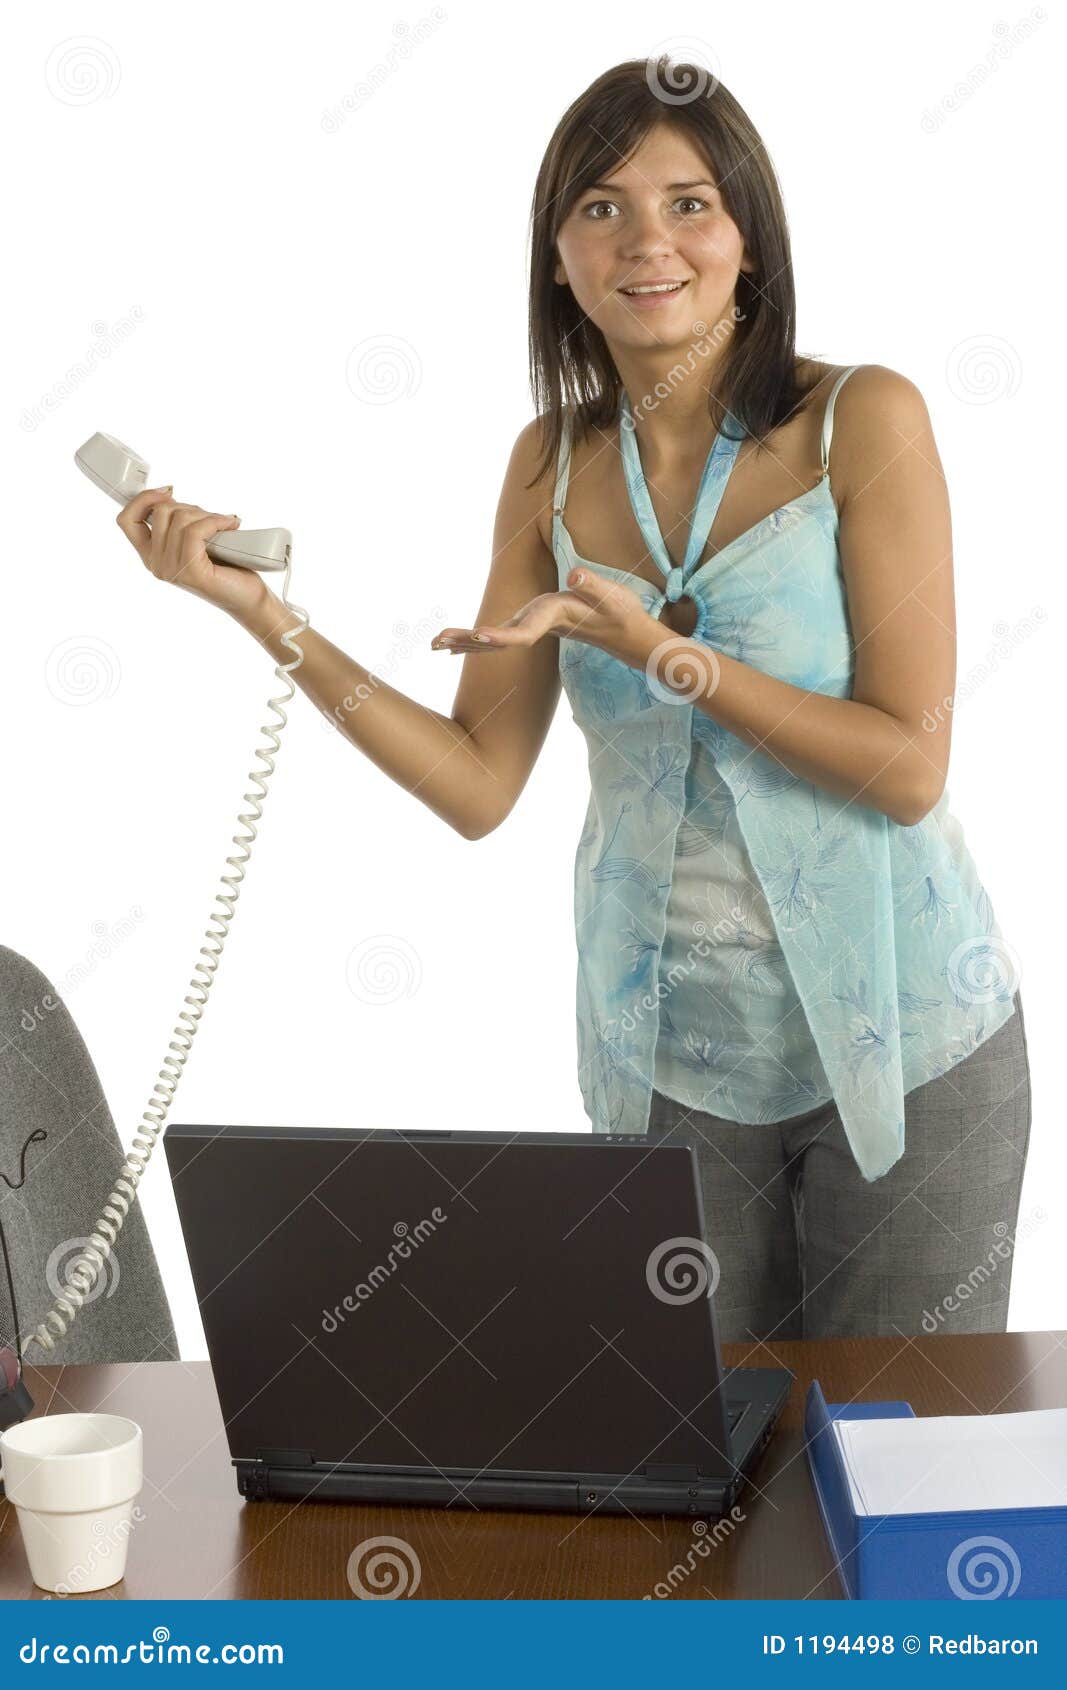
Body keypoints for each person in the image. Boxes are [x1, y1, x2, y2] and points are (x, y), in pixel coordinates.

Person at [113, 58, 1032, 1344]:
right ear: (557, 256)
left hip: (909, 1039)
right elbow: (476, 783)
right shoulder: (548, 463)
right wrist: (263, 616)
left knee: (887, 1465)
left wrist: (664, 652)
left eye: (688, 204)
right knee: (705, 1479)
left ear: (748, 239)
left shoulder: (857, 418)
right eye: (599, 208)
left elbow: (906, 766)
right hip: (677, 1062)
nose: (646, 241)